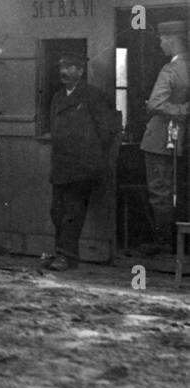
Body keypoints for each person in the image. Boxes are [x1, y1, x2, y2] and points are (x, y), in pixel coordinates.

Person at [44, 52, 117, 271]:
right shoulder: (58, 97)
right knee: (57, 212)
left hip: (81, 166)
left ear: (81, 71)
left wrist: (89, 153)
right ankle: (61, 253)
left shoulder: (92, 96)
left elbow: (106, 130)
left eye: (69, 67)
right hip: (61, 164)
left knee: (72, 214)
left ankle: (67, 257)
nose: (63, 72)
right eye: (61, 67)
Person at [140, 19, 190, 252]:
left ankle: (163, 244)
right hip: (178, 139)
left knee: (160, 191)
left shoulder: (171, 69)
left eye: (162, 39)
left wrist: (182, 110)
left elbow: (155, 103)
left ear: (171, 41)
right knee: (173, 190)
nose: (160, 44)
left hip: (159, 140)